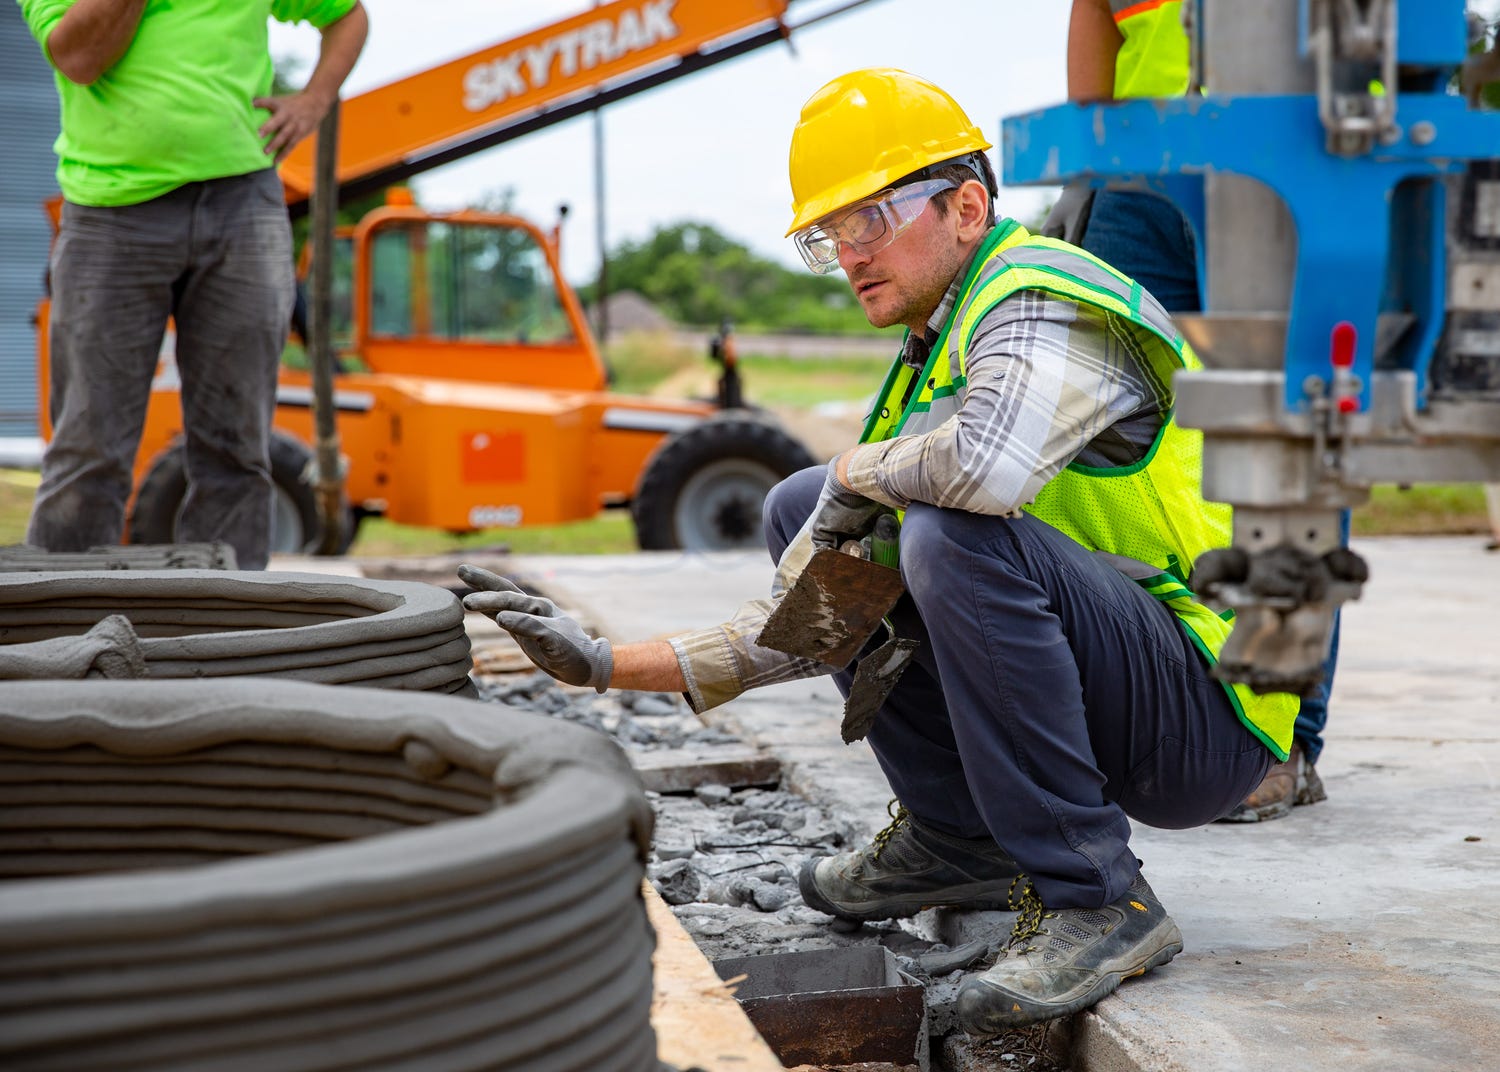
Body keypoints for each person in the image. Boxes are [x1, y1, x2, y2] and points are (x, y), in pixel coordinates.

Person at [462, 67, 1301, 1033]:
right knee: (803, 506)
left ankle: (1099, 899)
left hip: (1205, 708)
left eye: (868, 219)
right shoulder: (938, 344)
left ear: (966, 206)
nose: (848, 254)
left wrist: (860, 472)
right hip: (1128, 679)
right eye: (829, 233)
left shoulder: (1043, 298)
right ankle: (961, 839)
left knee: (941, 528)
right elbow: (819, 614)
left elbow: (984, 471)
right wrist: (610, 665)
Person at [1061, 0, 1334, 821]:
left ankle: (1281, 736)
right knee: (1109, 433)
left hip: (1292, 146)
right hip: (1139, 162)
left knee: (1290, 437)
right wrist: (1087, 155)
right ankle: (1143, 719)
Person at [19, 0, 368, 570]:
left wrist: (314, 100)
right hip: (110, 211)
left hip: (243, 201)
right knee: (88, 450)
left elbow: (348, 15)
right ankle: (62, 615)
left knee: (235, 447)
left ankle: (221, 617)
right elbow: (79, 58)